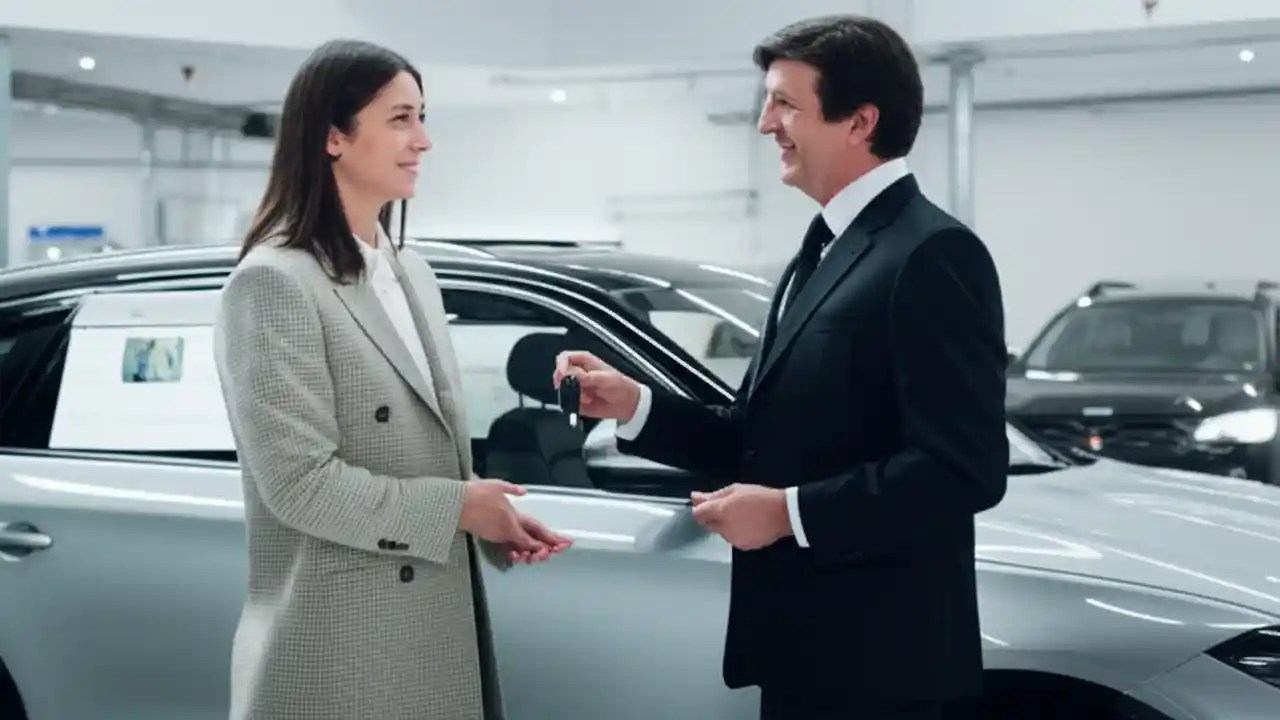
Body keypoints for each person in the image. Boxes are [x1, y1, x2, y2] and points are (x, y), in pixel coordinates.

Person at [554, 15, 1006, 720]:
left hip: (883, 668)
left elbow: (963, 468)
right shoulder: (822, 249)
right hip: (806, 653)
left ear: (859, 122)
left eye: (786, 104)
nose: (766, 124)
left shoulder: (931, 253)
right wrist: (635, 404)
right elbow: (758, 436)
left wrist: (791, 514)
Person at [213, 39, 571, 720]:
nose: (423, 140)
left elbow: (419, 452)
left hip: (428, 636)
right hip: (342, 648)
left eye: (422, 117)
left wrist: (487, 518)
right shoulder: (274, 283)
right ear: (333, 137)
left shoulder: (413, 273)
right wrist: (458, 507)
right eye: (401, 119)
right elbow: (299, 484)